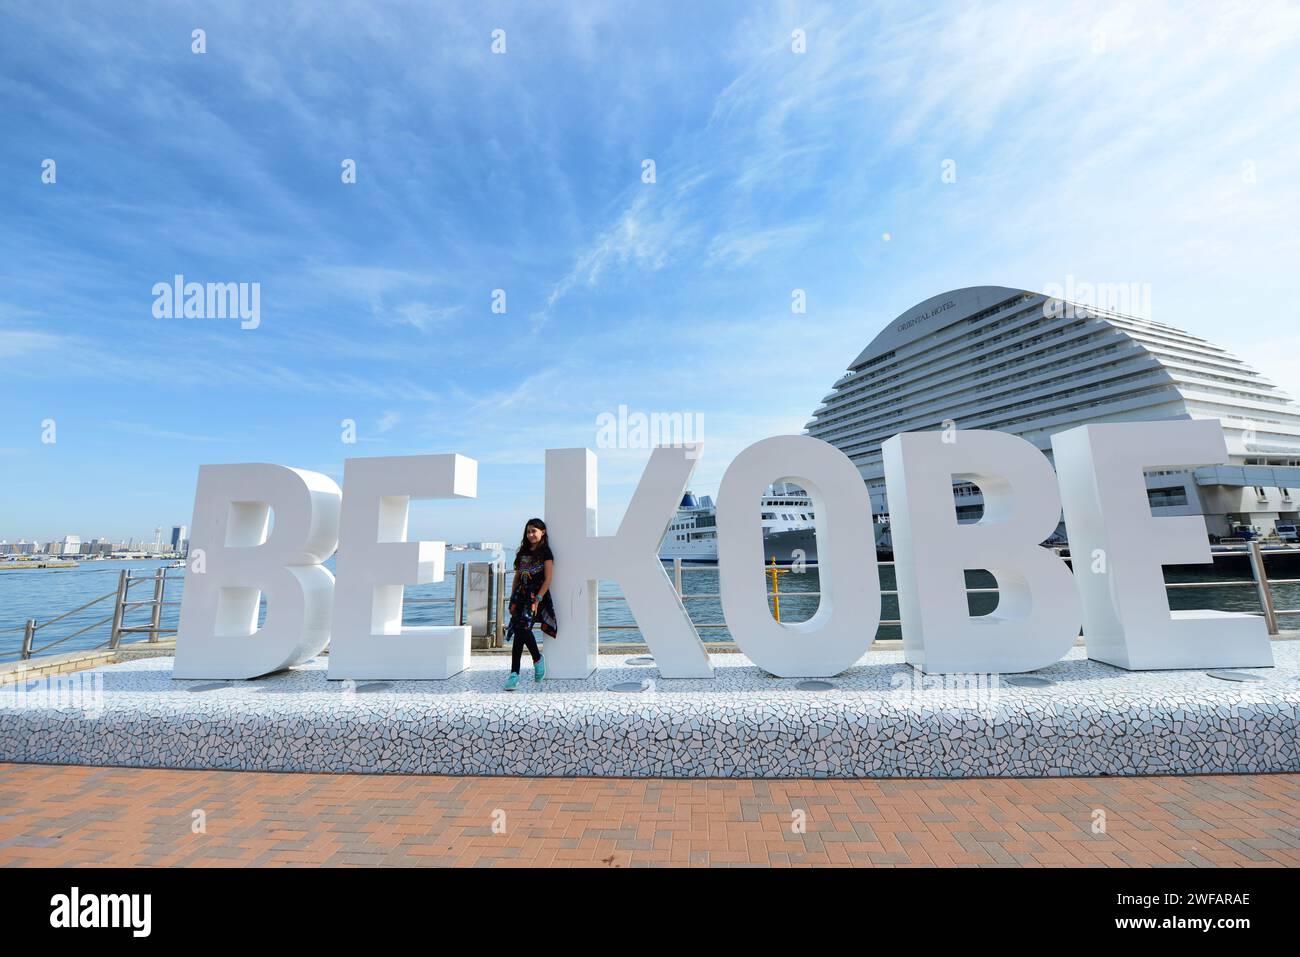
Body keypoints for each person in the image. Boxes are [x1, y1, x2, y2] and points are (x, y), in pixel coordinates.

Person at [503, 518, 556, 690]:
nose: (531, 534)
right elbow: (517, 577)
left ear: (543, 532)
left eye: (534, 531)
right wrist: (512, 598)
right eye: (528, 531)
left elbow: (548, 579)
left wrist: (537, 600)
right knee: (519, 633)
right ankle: (515, 673)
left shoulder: (546, 553)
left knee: (523, 629)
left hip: (535, 596)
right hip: (520, 596)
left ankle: (533, 662)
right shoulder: (523, 551)